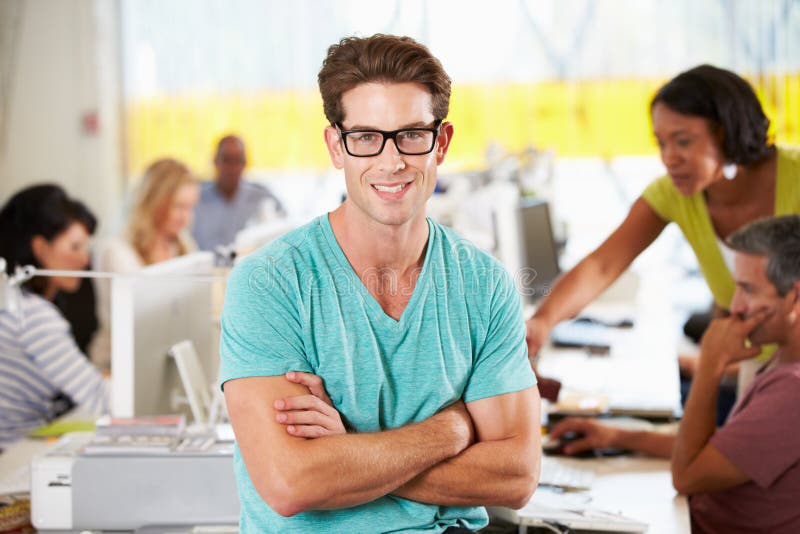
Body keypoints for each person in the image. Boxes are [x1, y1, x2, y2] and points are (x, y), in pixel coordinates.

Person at [220, 34, 540, 533]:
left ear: (443, 142)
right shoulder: (270, 283)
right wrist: (453, 427)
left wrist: (348, 450)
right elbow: (290, 483)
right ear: (336, 146)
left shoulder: (485, 284)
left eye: (412, 134)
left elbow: (517, 477)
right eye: (366, 137)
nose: (392, 162)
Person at [526, 65, 800, 388]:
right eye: (661, 143)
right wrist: (542, 323)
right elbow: (603, 265)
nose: (669, 158)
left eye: (683, 141)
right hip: (753, 376)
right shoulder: (674, 194)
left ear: (727, 132)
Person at [549, 215, 800, 532]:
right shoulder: (783, 360)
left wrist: (711, 364)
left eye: (748, 290)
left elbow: (688, 476)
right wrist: (619, 436)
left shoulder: (792, 392)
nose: (736, 306)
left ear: (793, 297)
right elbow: (721, 451)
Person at [0, 184, 109, 443]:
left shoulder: (14, 299)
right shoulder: (33, 316)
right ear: (41, 249)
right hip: (13, 458)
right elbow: (100, 399)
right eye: (74, 247)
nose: (85, 259)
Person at [90, 158, 200, 368]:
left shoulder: (181, 242)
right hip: (116, 364)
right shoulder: (116, 251)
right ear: (155, 201)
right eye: (179, 207)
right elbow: (141, 319)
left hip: (161, 359)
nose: (186, 218)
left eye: (190, 208)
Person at [192, 135, 285, 251]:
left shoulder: (262, 198)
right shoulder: (195, 199)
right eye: (227, 160)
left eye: (238, 161)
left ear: (245, 163)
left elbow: (284, 232)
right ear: (215, 161)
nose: (232, 168)